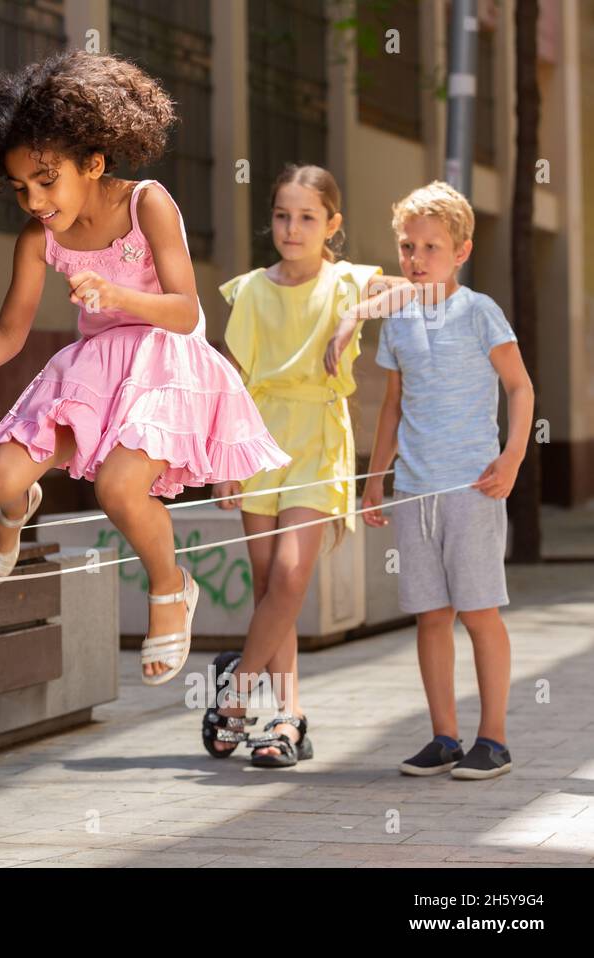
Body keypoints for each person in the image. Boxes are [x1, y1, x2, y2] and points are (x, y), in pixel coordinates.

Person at [0, 52, 289, 686]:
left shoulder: (148, 205)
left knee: (118, 488)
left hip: (164, 363)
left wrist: (118, 297)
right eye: (20, 188)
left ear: (92, 162)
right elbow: (10, 332)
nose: (35, 200)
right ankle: (14, 509)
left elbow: (185, 308)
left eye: (46, 180)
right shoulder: (39, 240)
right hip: (92, 374)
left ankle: (170, 589)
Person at [332, 181, 534, 780]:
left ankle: (492, 740)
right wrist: (375, 480)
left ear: (461, 252)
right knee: (430, 615)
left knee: (479, 613)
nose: (416, 259)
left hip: (472, 489)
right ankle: (444, 736)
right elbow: (393, 404)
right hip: (414, 491)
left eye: (430, 248)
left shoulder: (480, 312)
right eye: (407, 247)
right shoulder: (396, 322)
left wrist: (513, 457)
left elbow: (520, 388)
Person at [204, 164, 403, 767]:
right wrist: (224, 460)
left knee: (290, 577)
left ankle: (236, 697)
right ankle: (285, 721)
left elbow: (422, 288)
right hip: (257, 437)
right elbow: (231, 383)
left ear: (332, 224)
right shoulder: (250, 290)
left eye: (308, 217)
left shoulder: (349, 281)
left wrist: (354, 316)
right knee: (269, 589)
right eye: (283, 216)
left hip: (318, 437)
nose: (292, 228)